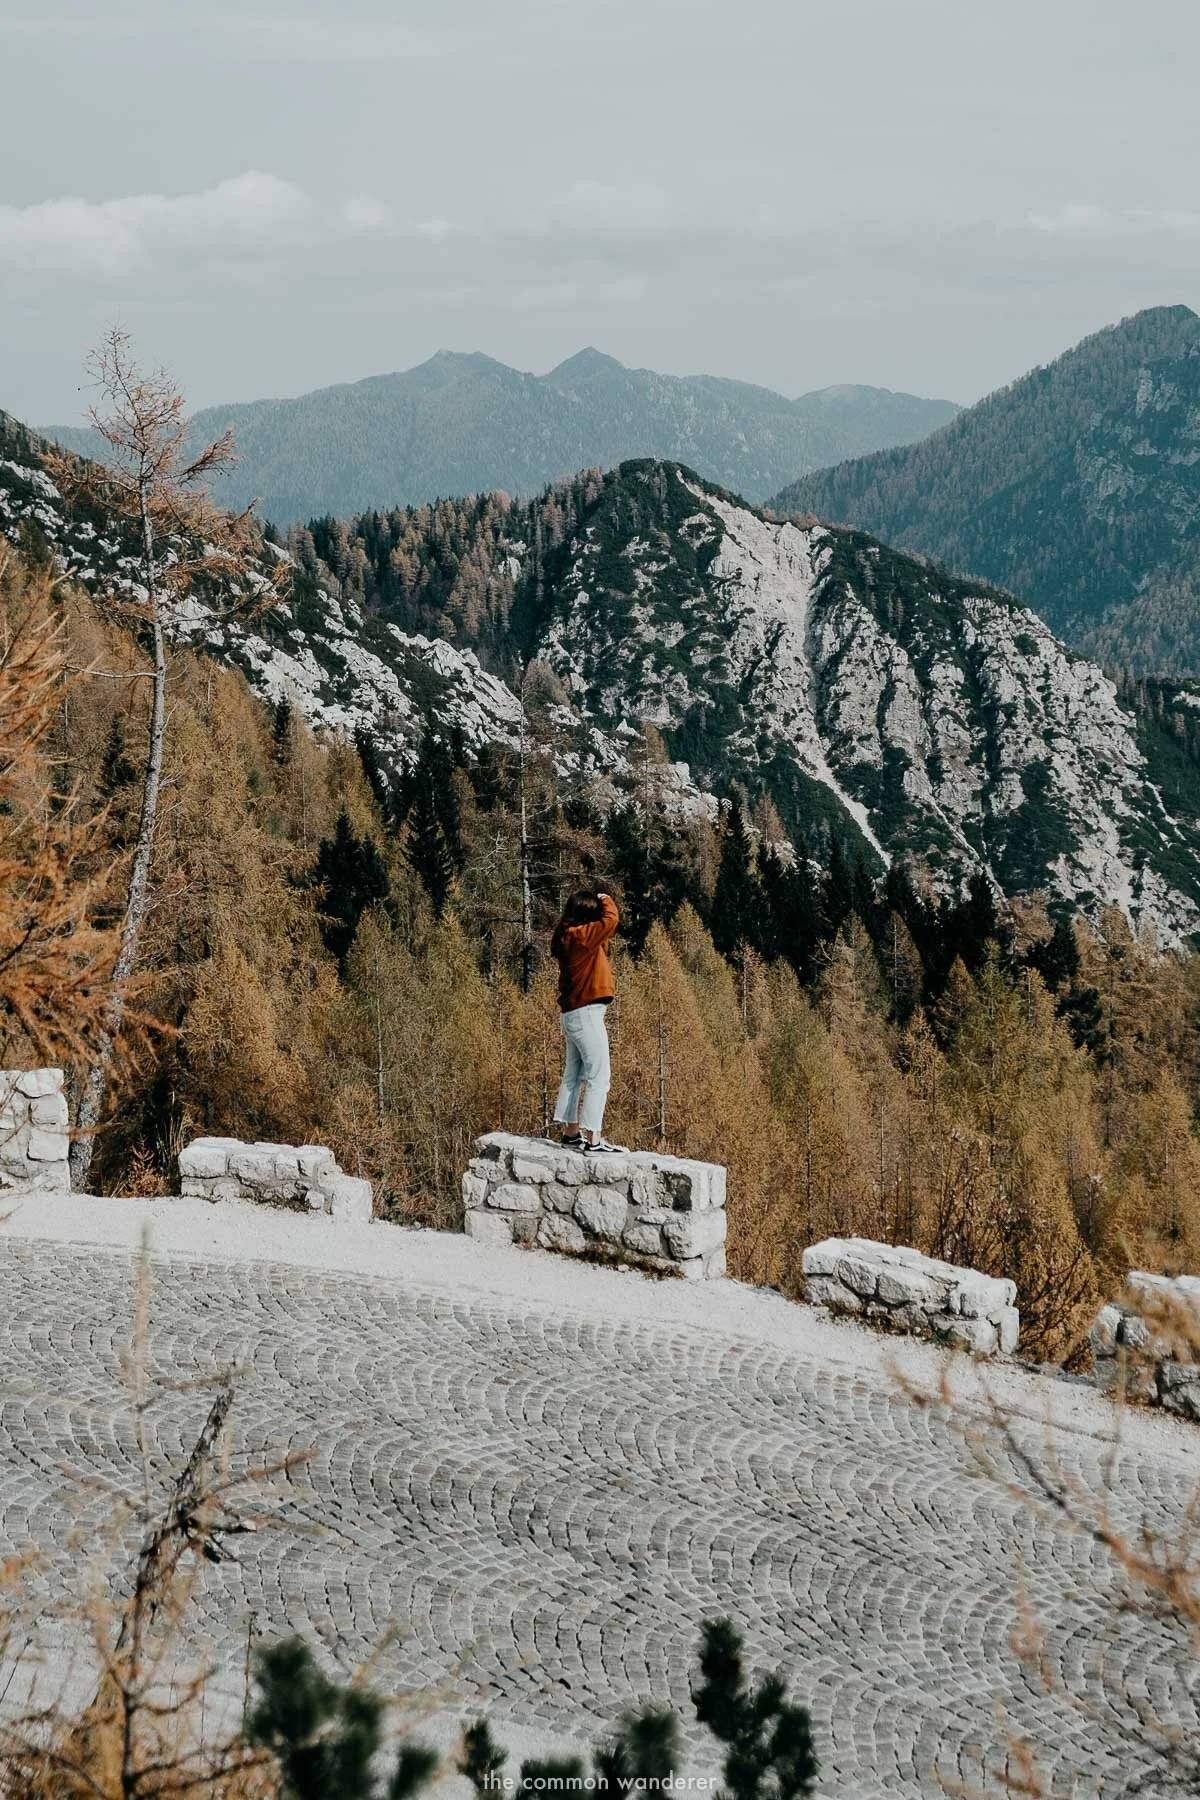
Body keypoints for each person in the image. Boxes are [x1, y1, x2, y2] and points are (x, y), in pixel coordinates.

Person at [549, 887, 624, 1154]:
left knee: (573, 1075)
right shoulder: (582, 937)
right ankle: (594, 1139)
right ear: (586, 917)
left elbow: (603, 932)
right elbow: (611, 920)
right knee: (599, 1077)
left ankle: (571, 1134)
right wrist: (605, 899)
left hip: (572, 1015)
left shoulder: (567, 937)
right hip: (587, 1014)